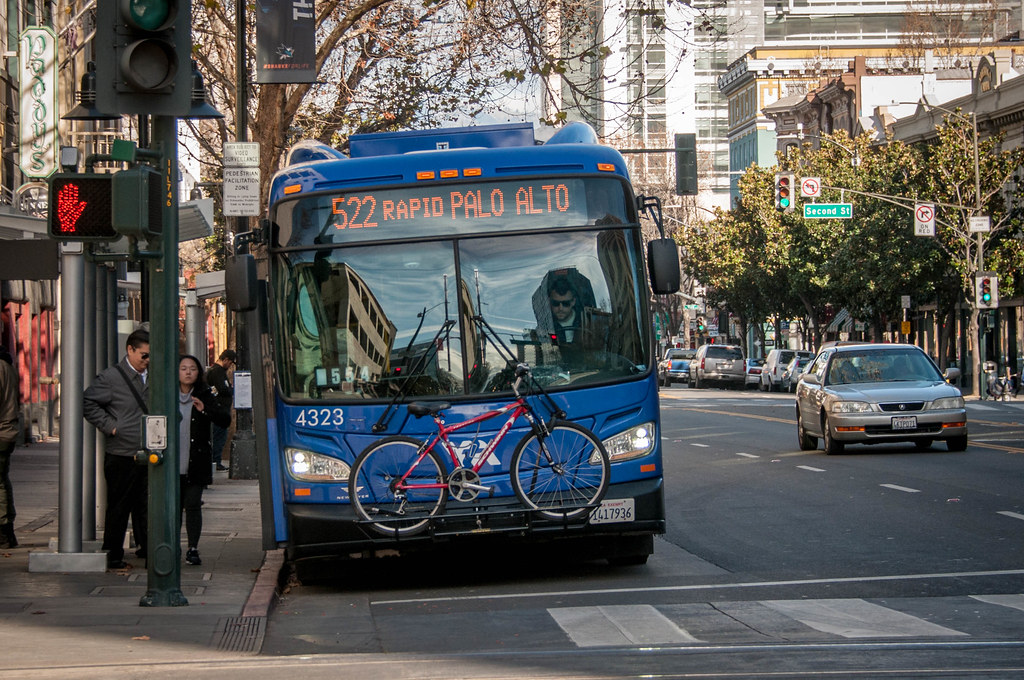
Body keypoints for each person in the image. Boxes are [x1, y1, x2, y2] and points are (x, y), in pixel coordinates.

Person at [83, 328, 150, 569]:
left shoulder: (153, 375)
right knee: (120, 505)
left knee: (146, 504)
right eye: (143, 355)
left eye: (150, 356)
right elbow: (88, 402)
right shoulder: (112, 378)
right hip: (122, 451)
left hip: (149, 449)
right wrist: (111, 427)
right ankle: (113, 553)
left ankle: (148, 548)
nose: (147, 360)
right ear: (129, 350)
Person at [177, 355, 230, 566]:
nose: (188, 372)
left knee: (192, 504)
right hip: (172, 460)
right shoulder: (165, 395)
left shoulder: (205, 394)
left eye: (192, 368)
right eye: (183, 368)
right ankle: (171, 546)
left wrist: (204, 409)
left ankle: (192, 548)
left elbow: (224, 419)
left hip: (196, 459)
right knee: (173, 507)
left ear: (199, 372)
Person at [204, 349, 236, 472]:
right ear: (226, 360)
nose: (230, 366)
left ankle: (215, 460)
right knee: (219, 437)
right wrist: (230, 390)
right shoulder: (218, 372)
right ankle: (215, 461)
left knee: (218, 436)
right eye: (231, 363)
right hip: (219, 410)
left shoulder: (213, 371)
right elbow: (223, 389)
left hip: (217, 409)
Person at [0, 348, 19, 549]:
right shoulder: (8, 365)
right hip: (8, 431)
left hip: (1, 431)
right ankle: (7, 530)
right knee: (2, 481)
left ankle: (4, 531)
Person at [547, 276, 581, 345]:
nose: (560, 308)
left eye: (566, 303)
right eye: (555, 303)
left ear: (573, 302)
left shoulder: (585, 322)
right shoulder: (545, 326)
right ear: (549, 302)